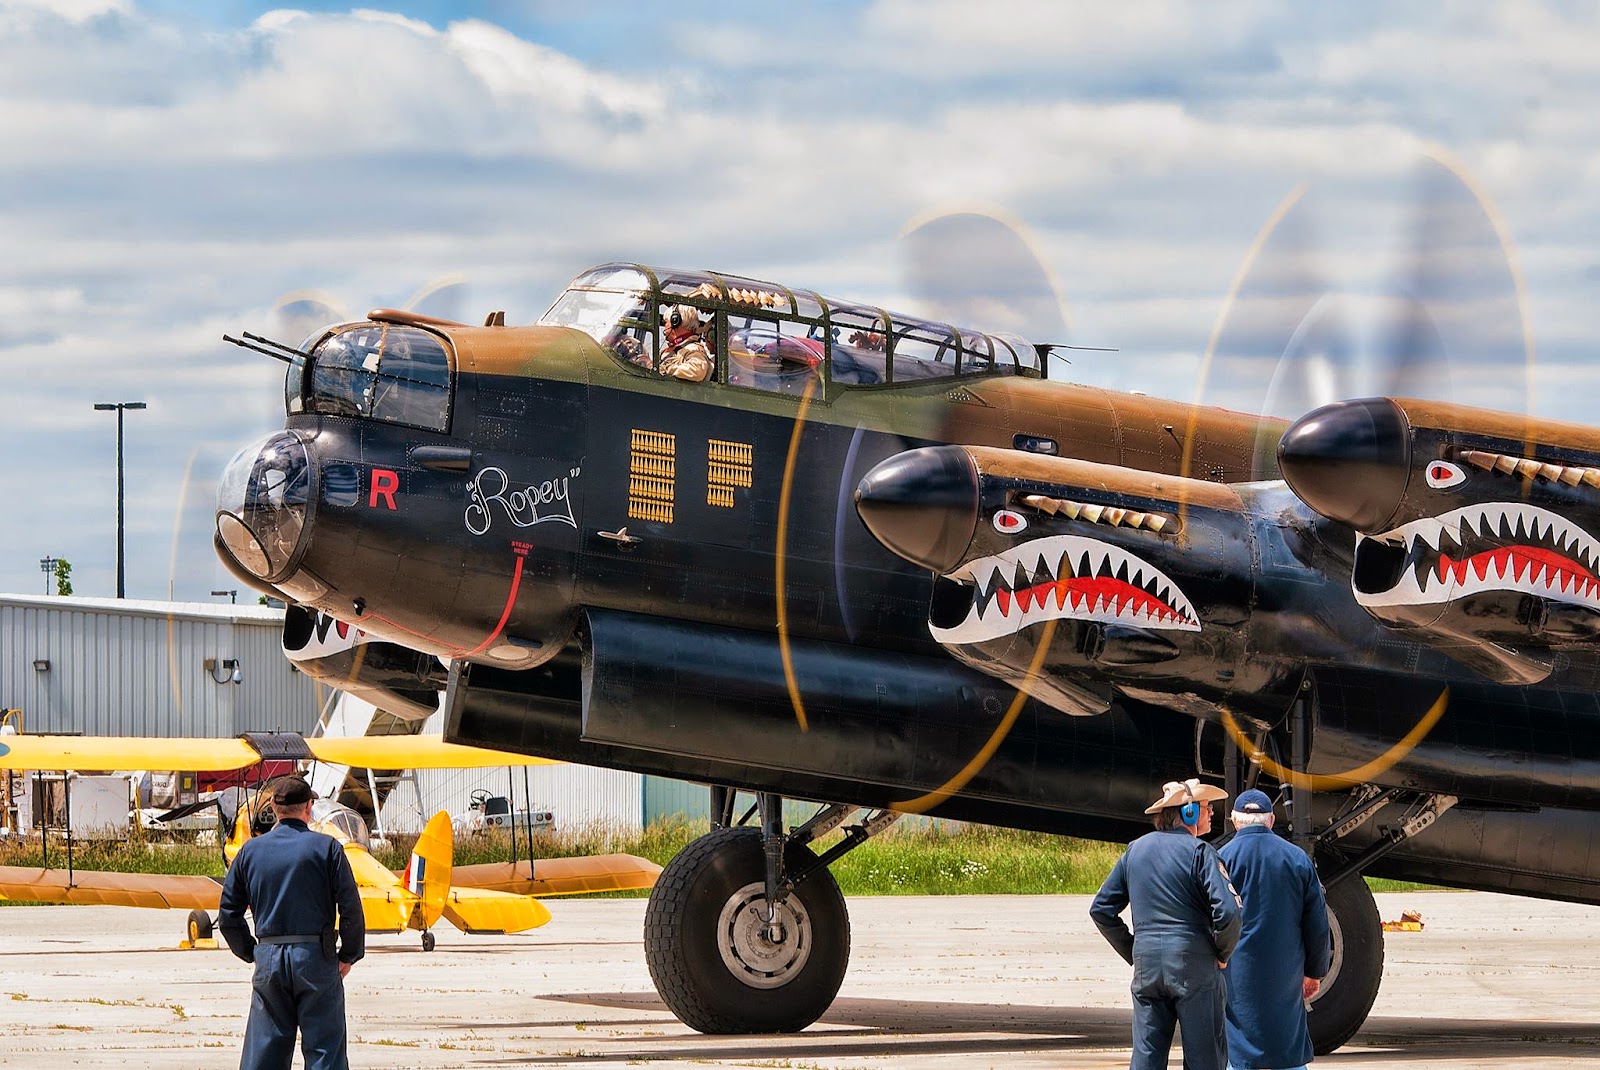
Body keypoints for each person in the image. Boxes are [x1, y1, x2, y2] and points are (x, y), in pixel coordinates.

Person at [1091, 778, 1243, 1070]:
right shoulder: (1201, 852)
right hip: (1194, 967)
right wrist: (1222, 953)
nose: (1211, 812)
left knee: (1146, 1057)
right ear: (1187, 813)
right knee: (1205, 1059)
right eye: (1205, 806)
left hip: (1147, 968)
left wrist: (1134, 949)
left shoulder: (1134, 851)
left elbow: (1101, 909)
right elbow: (1230, 912)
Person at [219, 775, 365, 1070]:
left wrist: (251, 951)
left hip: (270, 957)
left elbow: (228, 915)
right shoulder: (328, 848)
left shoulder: (249, 851)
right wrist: (349, 954)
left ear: (273, 806)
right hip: (316, 958)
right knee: (326, 1052)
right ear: (309, 807)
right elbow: (350, 907)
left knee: (264, 1054)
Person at [1218, 789, 1332, 1070]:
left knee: (1238, 1043)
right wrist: (1314, 971)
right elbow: (1317, 923)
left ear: (1234, 820)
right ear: (1270, 821)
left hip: (1235, 970)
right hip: (1286, 970)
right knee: (1286, 1040)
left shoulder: (1219, 859)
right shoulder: (1297, 859)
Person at [658, 304, 714, 382]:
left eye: (665, 322)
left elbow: (697, 371)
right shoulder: (672, 349)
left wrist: (664, 368)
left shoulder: (692, 348)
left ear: (675, 322)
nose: (665, 326)